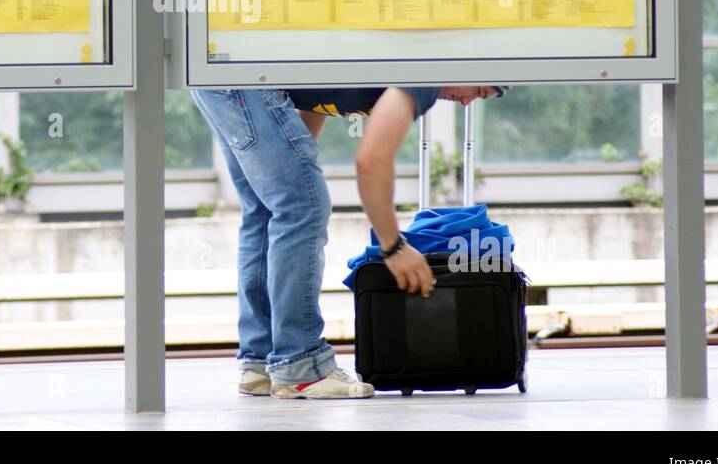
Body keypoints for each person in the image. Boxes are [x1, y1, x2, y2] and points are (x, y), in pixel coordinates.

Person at [190, 84, 503, 399]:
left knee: (266, 208)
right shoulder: (424, 77)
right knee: (301, 205)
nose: (466, 102)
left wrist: (291, 170)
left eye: (481, 98)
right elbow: (371, 162)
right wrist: (393, 246)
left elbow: (314, 98)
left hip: (228, 83)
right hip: (244, 83)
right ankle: (299, 366)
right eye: (477, 89)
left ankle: (261, 360)